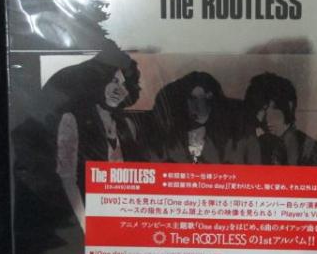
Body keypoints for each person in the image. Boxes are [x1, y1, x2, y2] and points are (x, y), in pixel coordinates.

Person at [55, 49, 144, 231]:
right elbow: (68, 179)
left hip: (124, 221)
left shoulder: (127, 124)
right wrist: (87, 227)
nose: (119, 90)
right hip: (88, 220)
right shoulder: (73, 119)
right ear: (100, 79)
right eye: (114, 81)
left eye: (125, 85)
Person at [226, 72, 317, 166]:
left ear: (289, 107)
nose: (262, 119)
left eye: (267, 109)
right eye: (257, 111)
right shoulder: (253, 146)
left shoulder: (310, 152)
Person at [151, 71, 236, 164]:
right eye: (189, 98)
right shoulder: (171, 134)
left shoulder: (230, 135)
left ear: (210, 96)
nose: (191, 104)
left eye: (194, 98)